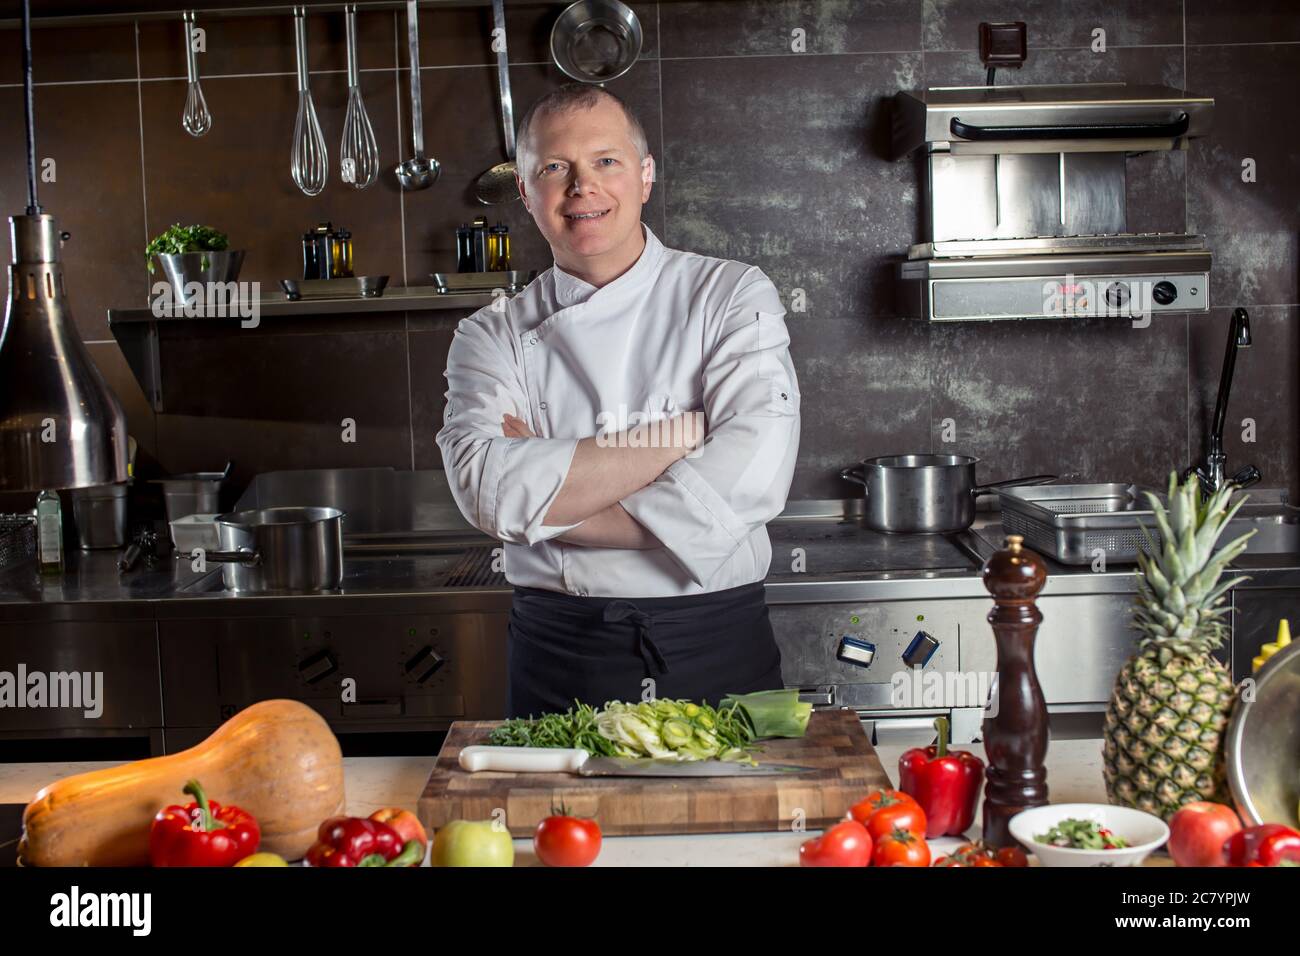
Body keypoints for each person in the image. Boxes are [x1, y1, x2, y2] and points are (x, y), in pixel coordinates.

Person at [435, 83, 800, 718]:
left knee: (736, 819)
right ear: (526, 192)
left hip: (713, 635)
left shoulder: (731, 295)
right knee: (557, 822)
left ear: (645, 174)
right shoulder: (489, 333)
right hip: (562, 646)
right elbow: (486, 489)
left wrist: (551, 505)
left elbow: (753, 476)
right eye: (555, 168)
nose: (583, 187)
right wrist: (682, 438)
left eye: (607, 161)